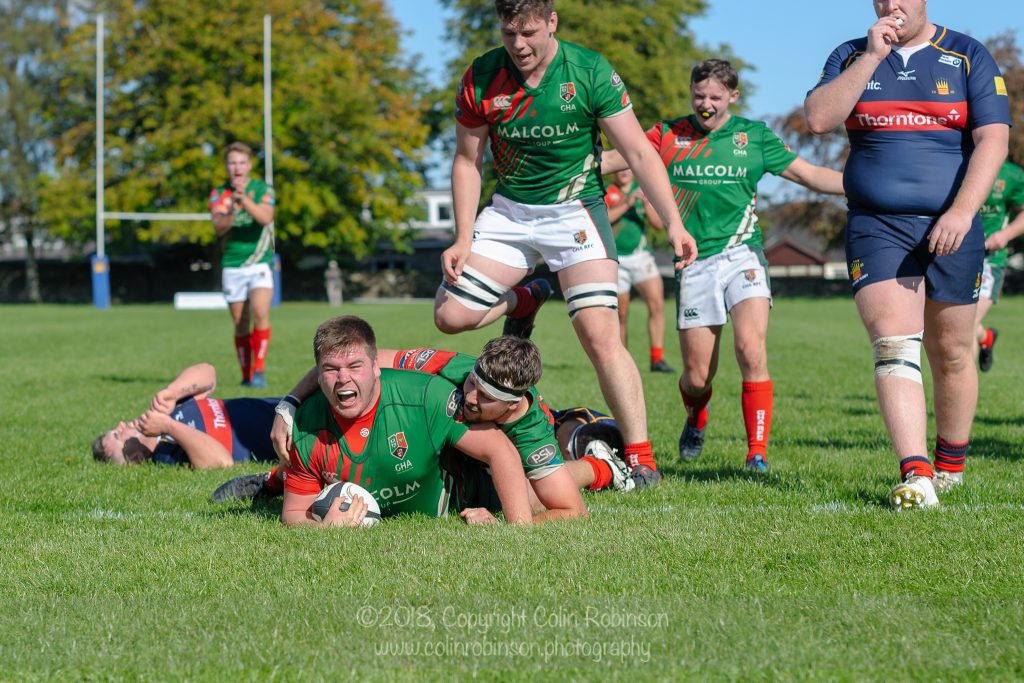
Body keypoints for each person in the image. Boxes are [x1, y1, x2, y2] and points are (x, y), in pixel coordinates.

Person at [433, 0, 698, 489]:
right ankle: (525, 296)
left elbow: (639, 152)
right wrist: (463, 237)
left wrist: (675, 225)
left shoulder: (589, 70)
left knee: (600, 335)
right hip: (509, 214)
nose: (519, 44)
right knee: (450, 316)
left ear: (552, 22)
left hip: (576, 214)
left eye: (529, 32)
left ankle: (642, 458)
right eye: (510, 32)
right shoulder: (482, 76)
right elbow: (467, 161)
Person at [804, 0, 1011, 505]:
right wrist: (871, 59)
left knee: (953, 351)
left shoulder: (967, 55)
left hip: (953, 226)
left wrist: (962, 213)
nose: (891, 5)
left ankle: (949, 468)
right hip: (876, 224)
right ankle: (916, 473)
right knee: (894, 343)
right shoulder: (851, 54)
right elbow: (818, 119)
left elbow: (994, 141)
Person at [603, 59, 845, 472]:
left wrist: (866, 188)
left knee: (751, 350)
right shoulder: (668, 134)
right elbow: (620, 158)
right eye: (699, 96)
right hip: (694, 262)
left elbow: (808, 174)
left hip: (743, 256)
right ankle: (696, 415)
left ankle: (757, 453)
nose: (706, 104)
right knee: (697, 378)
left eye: (715, 97)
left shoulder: (753, 137)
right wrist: (564, 167)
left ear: (734, 96)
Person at [266, 316, 535, 528]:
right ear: (318, 374)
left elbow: (499, 449)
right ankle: (269, 481)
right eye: (330, 369)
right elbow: (293, 513)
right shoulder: (304, 425)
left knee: (546, 494)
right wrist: (324, 528)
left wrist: (516, 531)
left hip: (476, 489)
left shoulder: (426, 397)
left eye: (354, 366)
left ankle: (579, 460)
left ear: (375, 367)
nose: (343, 378)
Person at [91, 363, 279, 468]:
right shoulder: (166, 455)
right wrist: (168, 426)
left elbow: (209, 373)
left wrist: (173, 392)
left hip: (280, 405)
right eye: (118, 435)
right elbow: (222, 462)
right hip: (289, 434)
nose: (122, 424)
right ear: (137, 458)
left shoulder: (166, 408)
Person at [209, 142, 276, 388]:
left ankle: (259, 370)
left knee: (260, 312)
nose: (237, 167)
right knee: (240, 322)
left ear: (249, 165)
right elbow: (218, 227)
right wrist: (231, 210)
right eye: (232, 162)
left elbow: (265, 217)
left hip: (259, 262)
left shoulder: (262, 189)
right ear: (227, 166)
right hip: (233, 265)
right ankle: (246, 374)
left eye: (241, 162)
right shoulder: (219, 193)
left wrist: (244, 200)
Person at [604, 169, 674, 373]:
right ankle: (621, 361)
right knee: (621, 314)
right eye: (620, 167)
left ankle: (657, 359)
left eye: (628, 167)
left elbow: (658, 225)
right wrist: (627, 203)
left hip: (641, 256)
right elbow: (604, 219)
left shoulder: (643, 190)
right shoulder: (608, 191)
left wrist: (644, 202)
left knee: (657, 304)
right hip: (616, 260)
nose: (624, 171)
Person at [976, 160, 1024, 371]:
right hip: (955, 256)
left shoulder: (1012, 175)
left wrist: (1005, 235)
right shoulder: (955, 162)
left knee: (966, 324)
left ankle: (964, 402)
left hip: (991, 260)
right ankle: (986, 337)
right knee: (952, 325)